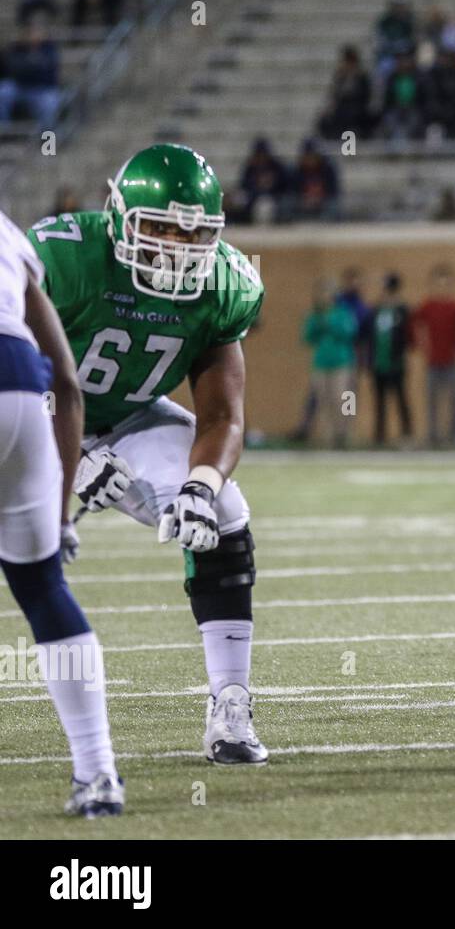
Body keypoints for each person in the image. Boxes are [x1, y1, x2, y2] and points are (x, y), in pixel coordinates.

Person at [28, 144, 268, 765]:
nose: (175, 247)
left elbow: (221, 415)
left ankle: (230, 704)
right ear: (118, 217)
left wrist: (201, 486)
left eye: (194, 232)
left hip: (128, 418)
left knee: (224, 515)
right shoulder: (66, 257)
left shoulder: (223, 286)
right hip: (28, 416)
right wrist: (68, 451)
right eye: (158, 227)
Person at [1, 209, 122, 817]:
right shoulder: (7, 233)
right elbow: (68, 383)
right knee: (43, 587)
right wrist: (65, 510)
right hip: (21, 384)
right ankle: (98, 773)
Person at [411, 264, 455, 447]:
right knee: (432, 401)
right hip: (433, 362)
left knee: (454, 400)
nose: (442, 288)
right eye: (439, 284)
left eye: (446, 284)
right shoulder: (427, 306)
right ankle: (432, 437)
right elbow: (414, 325)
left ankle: (453, 437)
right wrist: (422, 346)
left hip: (451, 362)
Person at [299, 288, 359, 448]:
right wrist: (316, 323)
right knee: (324, 400)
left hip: (343, 362)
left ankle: (346, 434)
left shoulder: (343, 313)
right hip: (321, 363)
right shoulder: (315, 315)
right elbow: (307, 338)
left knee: (346, 398)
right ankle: (329, 436)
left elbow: (350, 332)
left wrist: (329, 321)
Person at [366, 272, 412, 446]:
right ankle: (379, 436)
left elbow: (406, 336)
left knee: (401, 400)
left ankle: (406, 435)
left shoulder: (401, 310)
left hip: (396, 363)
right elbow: (370, 335)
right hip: (379, 363)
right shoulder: (376, 310)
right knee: (379, 401)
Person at [0, 20, 61, 131]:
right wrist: (33, 64)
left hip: (42, 89)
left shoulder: (49, 49)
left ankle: (45, 136)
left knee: (50, 101)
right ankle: (4, 130)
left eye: (37, 32)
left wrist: (28, 65)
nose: (34, 36)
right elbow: (13, 69)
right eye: (31, 33)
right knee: (4, 91)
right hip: (20, 87)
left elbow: (47, 70)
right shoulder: (16, 48)